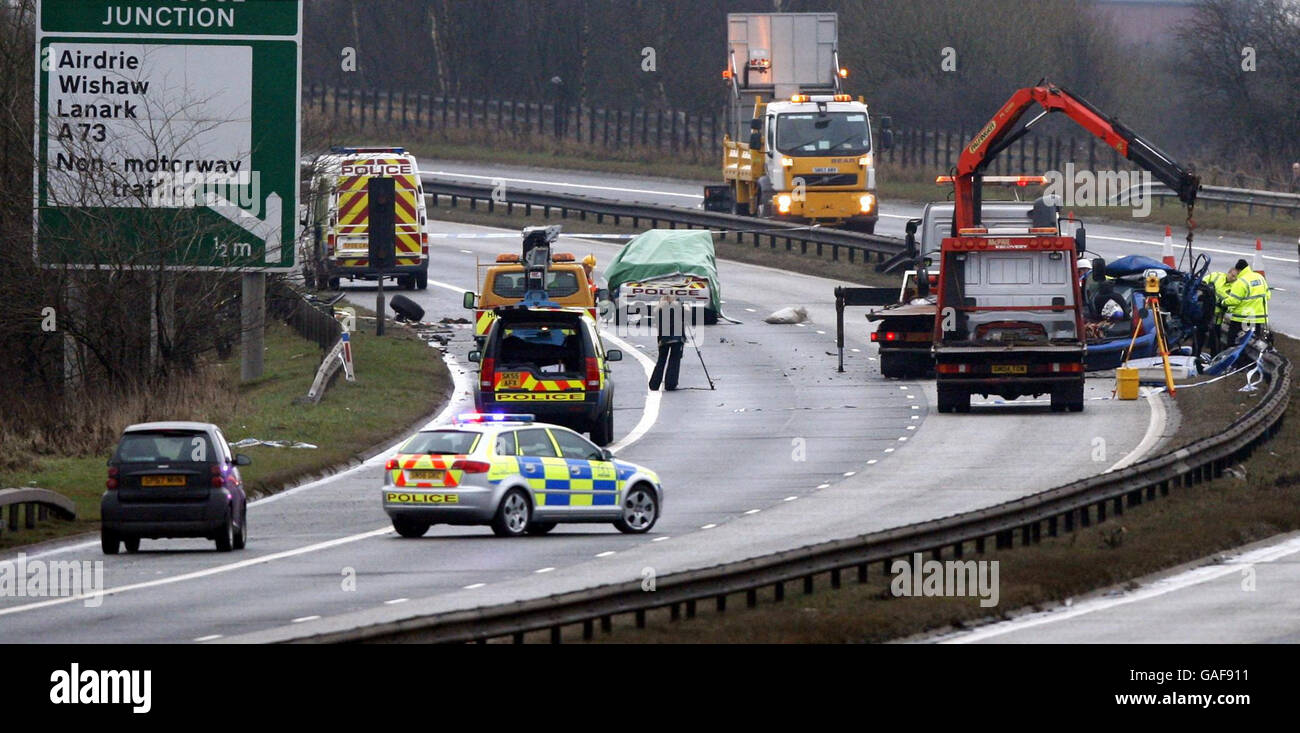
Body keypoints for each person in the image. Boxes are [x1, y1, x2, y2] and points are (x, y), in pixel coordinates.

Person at [1222, 258, 1270, 344]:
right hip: (1258, 318)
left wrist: (1223, 302)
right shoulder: (1260, 277)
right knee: (1252, 344)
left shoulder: (1240, 282)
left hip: (1243, 319)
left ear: (1238, 270)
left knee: (1234, 343)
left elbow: (1234, 301)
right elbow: (1268, 295)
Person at [648, 294, 687, 391]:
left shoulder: (659, 310)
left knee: (661, 361)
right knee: (674, 361)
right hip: (677, 339)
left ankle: (654, 384)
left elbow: (659, 328)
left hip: (663, 339)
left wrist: (659, 342)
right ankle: (670, 384)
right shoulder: (679, 308)